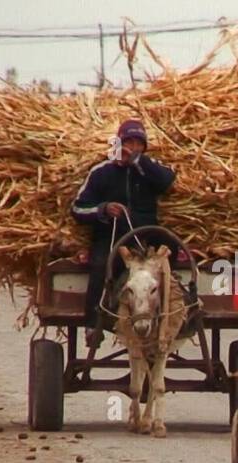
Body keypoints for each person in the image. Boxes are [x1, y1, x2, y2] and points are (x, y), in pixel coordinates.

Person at [70, 119, 176, 330]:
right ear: (118, 143)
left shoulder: (149, 168)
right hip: (111, 238)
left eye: (138, 144)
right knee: (100, 265)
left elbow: (167, 181)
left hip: (146, 237)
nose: (133, 147)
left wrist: (138, 161)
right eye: (128, 142)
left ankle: (173, 315)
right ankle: (93, 325)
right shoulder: (101, 171)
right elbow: (77, 209)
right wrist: (104, 209)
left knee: (173, 256)